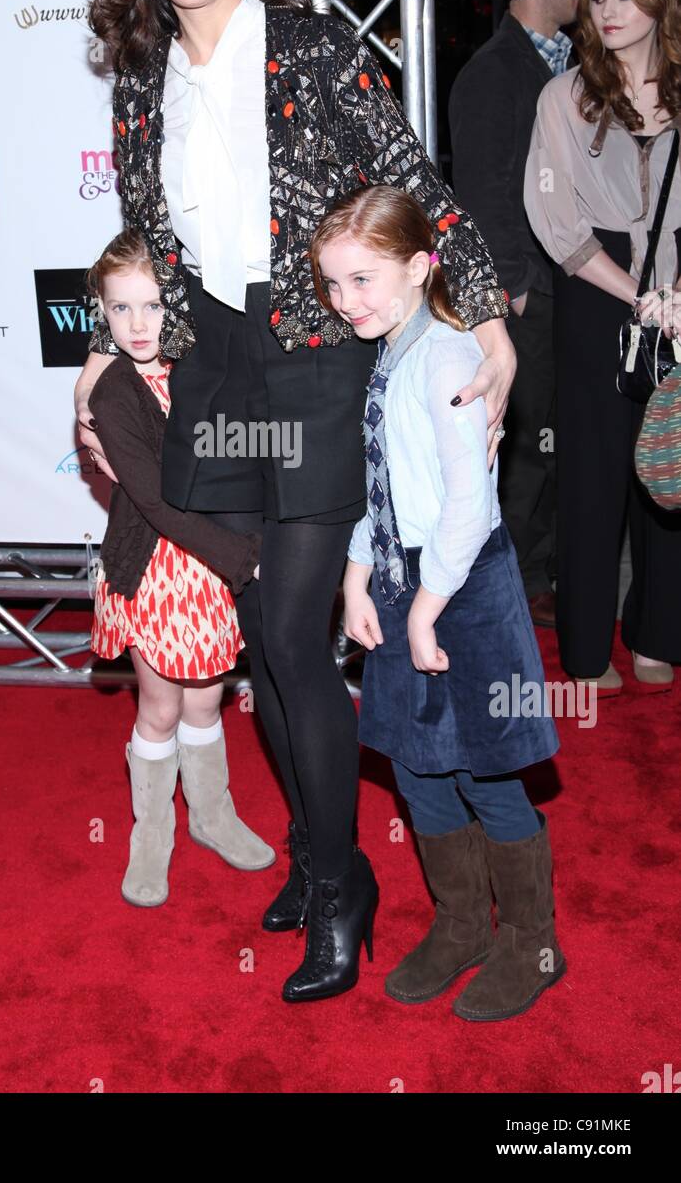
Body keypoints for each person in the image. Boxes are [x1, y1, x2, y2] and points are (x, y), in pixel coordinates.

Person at [74, 0, 516, 1003]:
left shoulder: (312, 47)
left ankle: (338, 890)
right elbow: (152, 252)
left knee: (285, 641)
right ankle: (329, 855)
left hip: (315, 360)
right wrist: (99, 355)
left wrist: (484, 316)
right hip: (217, 368)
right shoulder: (139, 77)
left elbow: (414, 184)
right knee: (263, 637)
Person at [311, 184, 564, 1022]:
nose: (347, 303)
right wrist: (356, 576)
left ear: (421, 268)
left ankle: (532, 941)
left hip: (464, 591)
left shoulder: (452, 357)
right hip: (398, 575)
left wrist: (424, 608)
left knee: (488, 774)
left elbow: (468, 502)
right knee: (419, 772)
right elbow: (383, 490)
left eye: (364, 281)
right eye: (335, 285)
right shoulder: (387, 352)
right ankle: (461, 926)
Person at [86, 229, 274, 907]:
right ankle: (152, 833)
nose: (139, 325)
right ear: (101, 316)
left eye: (154, 306)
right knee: (161, 708)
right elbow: (159, 504)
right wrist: (248, 559)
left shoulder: (200, 365)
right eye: (120, 310)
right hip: (159, 569)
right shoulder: (110, 396)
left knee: (206, 698)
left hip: (210, 568)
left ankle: (214, 815)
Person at [524, 0, 681, 693]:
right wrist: (640, 298)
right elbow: (557, 224)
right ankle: (586, 649)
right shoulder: (566, 96)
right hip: (597, 299)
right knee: (592, 476)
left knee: (669, 470)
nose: (611, 10)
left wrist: (676, 299)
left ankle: (658, 635)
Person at [449, 0, 586, 629]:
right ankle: (516, 585)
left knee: (560, 436)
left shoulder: (573, 63)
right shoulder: (492, 72)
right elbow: (479, 188)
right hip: (528, 293)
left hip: (578, 284)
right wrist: (513, 285)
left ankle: (548, 574)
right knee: (529, 444)